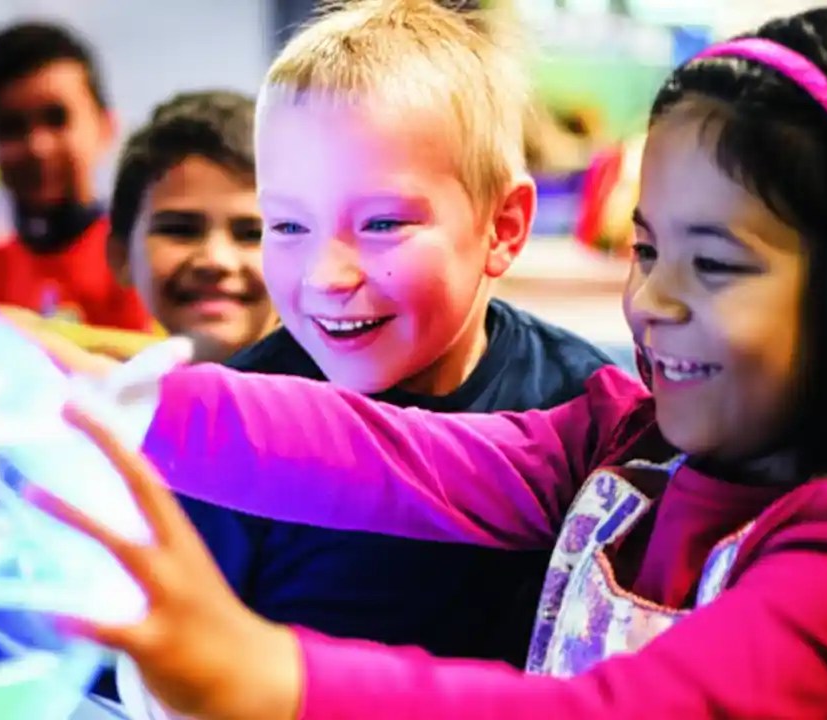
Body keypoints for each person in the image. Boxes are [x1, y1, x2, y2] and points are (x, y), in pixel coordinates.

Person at [31, 5, 827, 718]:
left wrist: (266, 675)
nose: (652, 302)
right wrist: (75, 390)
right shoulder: (621, 438)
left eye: (714, 264)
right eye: (646, 252)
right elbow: (382, 454)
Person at [179, 0, 610, 667]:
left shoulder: (580, 408)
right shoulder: (232, 430)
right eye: (288, 226)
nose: (326, 275)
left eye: (382, 224)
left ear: (503, 227)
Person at [0, 22, 152, 331]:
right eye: (12, 127)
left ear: (106, 127)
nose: (38, 147)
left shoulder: (145, 262)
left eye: (57, 118)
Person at [108, 90, 277, 363]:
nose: (215, 260)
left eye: (252, 234)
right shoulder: (116, 392)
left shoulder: (341, 398)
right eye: (180, 230)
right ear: (121, 256)